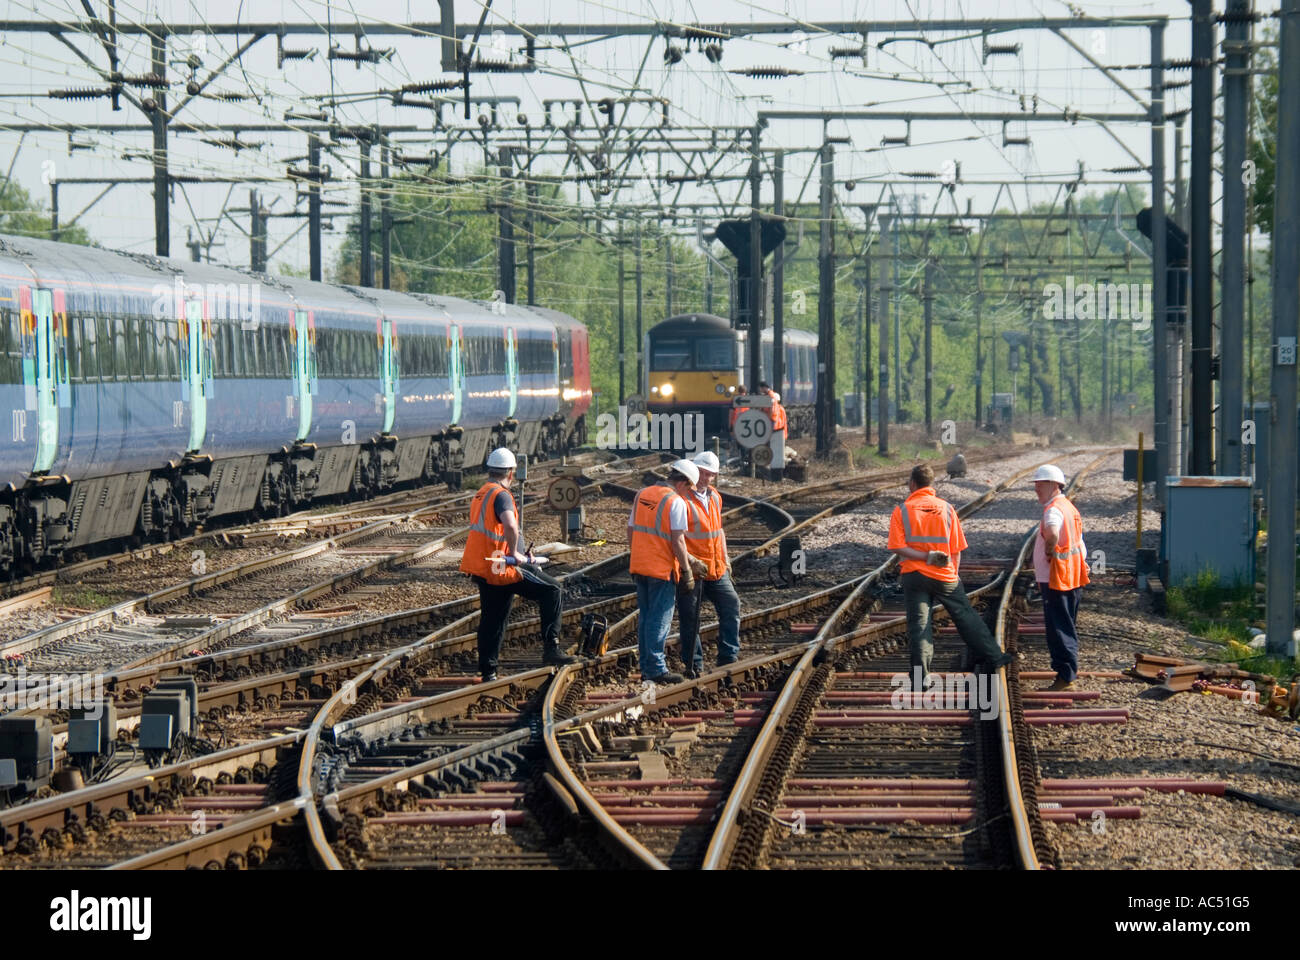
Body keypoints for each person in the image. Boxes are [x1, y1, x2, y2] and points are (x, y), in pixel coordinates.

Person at [887, 463, 1015, 689]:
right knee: (965, 616)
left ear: (913, 483)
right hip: (945, 575)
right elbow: (956, 549)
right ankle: (995, 656)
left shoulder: (902, 510)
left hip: (914, 576)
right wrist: (953, 574)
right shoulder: (947, 509)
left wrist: (924, 556)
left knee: (919, 624)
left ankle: (920, 677)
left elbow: (897, 547)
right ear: (930, 484)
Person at [460, 447, 579, 682]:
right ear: (511, 473)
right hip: (505, 566)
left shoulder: (481, 493)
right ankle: (551, 649)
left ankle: (488, 670)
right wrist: (515, 552)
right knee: (553, 590)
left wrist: (519, 549)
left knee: (493, 617)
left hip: (487, 565)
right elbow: (510, 526)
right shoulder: (501, 495)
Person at [627, 459, 700, 686]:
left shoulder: (644, 495)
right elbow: (677, 541)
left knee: (647, 617)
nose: (689, 493)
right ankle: (657, 669)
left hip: (640, 565)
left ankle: (647, 667)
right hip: (661, 569)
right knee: (659, 619)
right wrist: (686, 571)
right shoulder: (675, 501)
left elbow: (631, 528)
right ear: (684, 483)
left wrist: (636, 554)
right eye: (689, 488)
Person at [676, 450, 742, 677]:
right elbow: (678, 537)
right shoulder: (683, 499)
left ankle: (728, 656)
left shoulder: (714, 496)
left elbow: (718, 531)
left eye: (711, 475)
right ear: (695, 471)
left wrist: (726, 560)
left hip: (716, 567)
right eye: (703, 473)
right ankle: (694, 664)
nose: (706, 478)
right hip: (693, 570)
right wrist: (688, 565)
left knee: (731, 604)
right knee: (690, 617)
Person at [1031, 465, 1089, 692]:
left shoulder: (1053, 510)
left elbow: (1053, 533)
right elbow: (1080, 543)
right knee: (1066, 624)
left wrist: (1048, 551)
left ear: (1055, 485)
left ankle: (1065, 678)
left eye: (1041, 484)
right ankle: (1067, 674)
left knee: (1059, 627)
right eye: (1036, 485)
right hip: (1071, 575)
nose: (1037, 488)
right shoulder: (1069, 508)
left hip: (1057, 577)